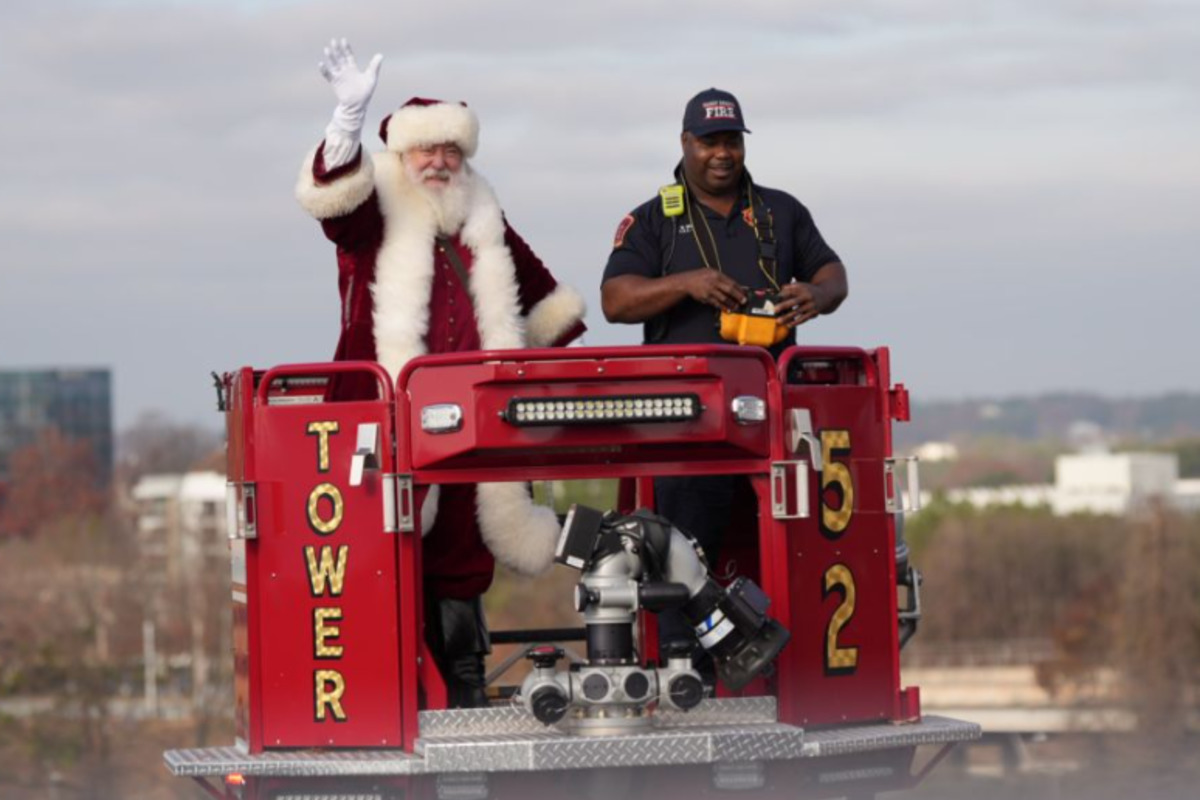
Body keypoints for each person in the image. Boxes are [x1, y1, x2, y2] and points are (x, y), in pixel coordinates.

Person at [295, 39, 587, 707]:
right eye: (427, 150)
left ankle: (458, 692)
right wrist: (346, 120)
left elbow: (540, 302)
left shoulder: (483, 214)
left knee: (460, 564)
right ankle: (386, 696)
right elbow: (335, 206)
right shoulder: (378, 206)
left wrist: (561, 387)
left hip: (473, 428)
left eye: (451, 150)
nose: (439, 161)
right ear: (402, 154)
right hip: (383, 425)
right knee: (379, 558)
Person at [600, 88, 848, 669]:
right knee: (682, 553)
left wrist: (816, 294)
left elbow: (834, 275)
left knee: (792, 554)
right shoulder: (653, 219)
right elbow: (615, 300)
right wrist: (686, 283)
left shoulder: (782, 211)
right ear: (685, 144)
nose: (722, 153)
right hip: (689, 428)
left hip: (774, 422)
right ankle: (686, 673)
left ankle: (797, 673)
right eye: (709, 141)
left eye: (731, 141)